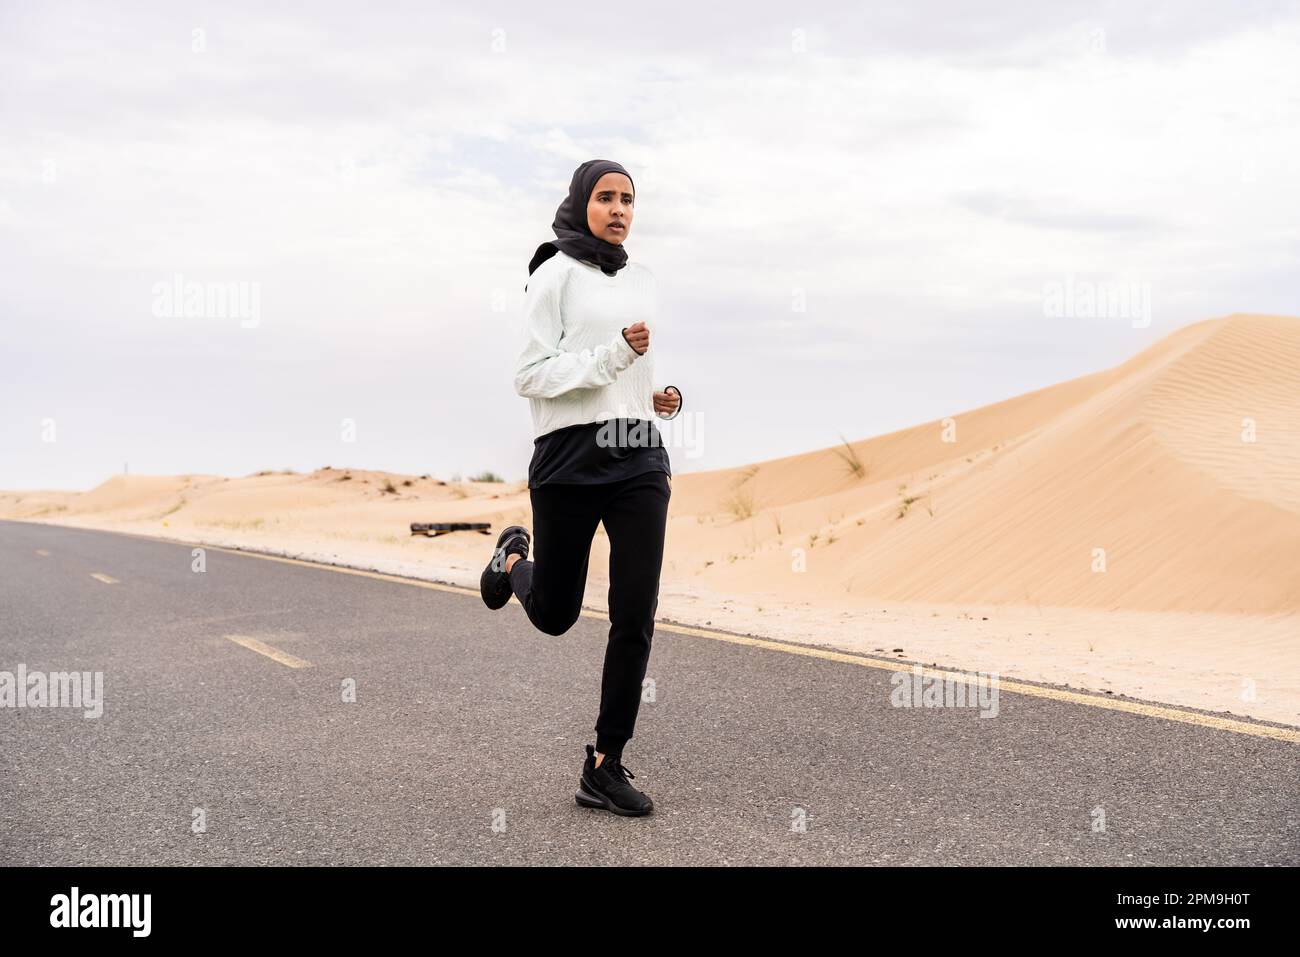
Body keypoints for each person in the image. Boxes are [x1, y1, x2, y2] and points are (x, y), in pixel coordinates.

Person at [479, 158, 683, 817]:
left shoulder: (644, 279)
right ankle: (513, 557)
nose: (620, 209)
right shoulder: (554, 275)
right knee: (557, 613)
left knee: (636, 609)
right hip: (569, 455)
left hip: (637, 453)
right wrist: (613, 357)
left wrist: (657, 396)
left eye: (628, 199)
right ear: (580, 203)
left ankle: (604, 760)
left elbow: (628, 367)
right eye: (606, 197)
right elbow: (530, 375)